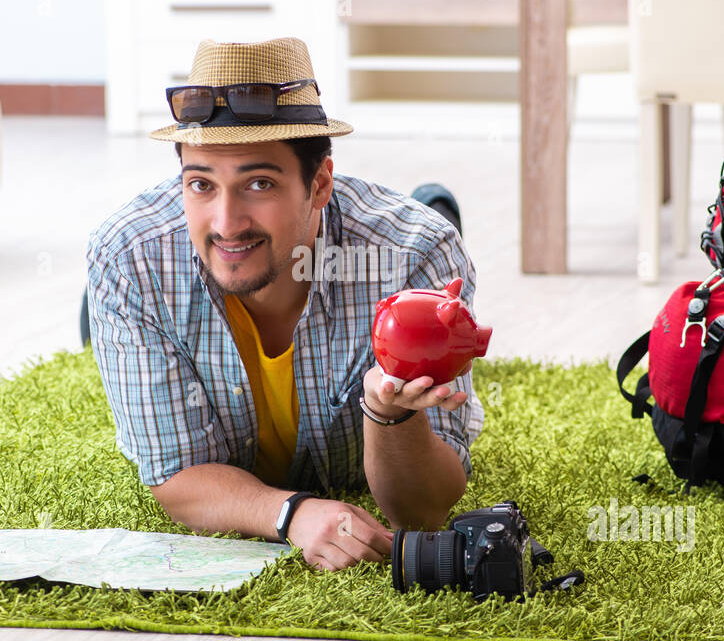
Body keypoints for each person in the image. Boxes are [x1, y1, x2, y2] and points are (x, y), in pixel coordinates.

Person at [85, 37, 484, 572]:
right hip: (151, 280)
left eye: (258, 183)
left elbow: (424, 510)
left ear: (319, 184)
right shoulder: (130, 258)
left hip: (379, 246)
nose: (226, 222)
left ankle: (431, 202)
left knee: (430, 234)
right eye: (201, 184)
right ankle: (96, 314)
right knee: (111, 308)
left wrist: (390, 416)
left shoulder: (415, 254)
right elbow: (175, 473)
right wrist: (290, 513)